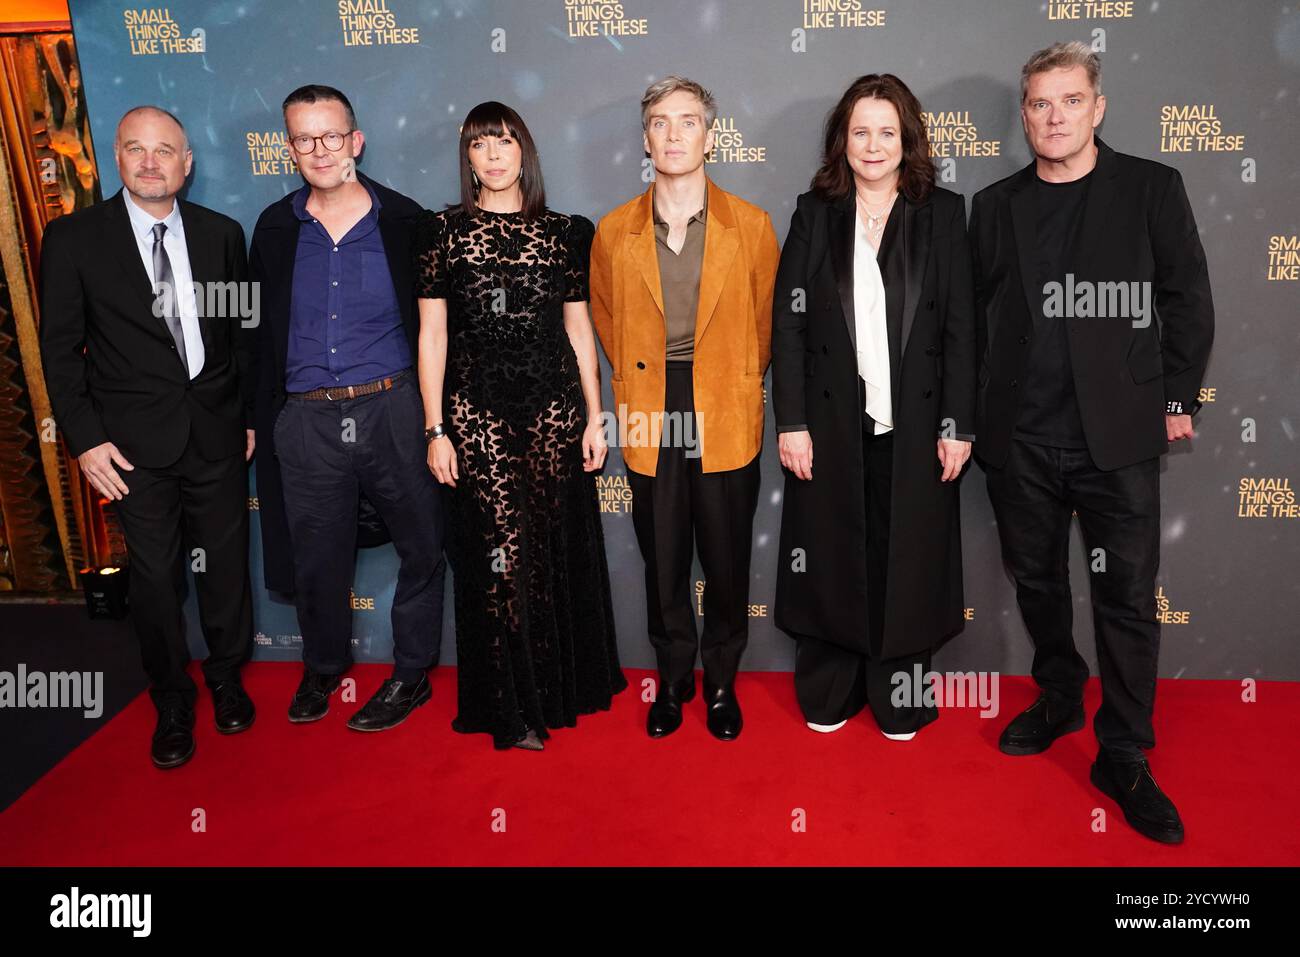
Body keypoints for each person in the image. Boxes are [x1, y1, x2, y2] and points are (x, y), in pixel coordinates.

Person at [971, 42, 1214, 844]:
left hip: (1119, 436)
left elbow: (1188, 298)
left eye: (1070, 101)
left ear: (1098, 108)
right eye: (1040, 103)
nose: (1054, 117)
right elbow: (974, 320)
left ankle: (1125, 753)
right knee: (1038, 584)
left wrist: (1176, 395)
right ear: (1025, 112)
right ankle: (1058, 692)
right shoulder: (994, 203)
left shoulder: (1151, 187)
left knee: (1128, 600)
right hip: (1021, 441)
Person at [39, 105, 256, 768]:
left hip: (215, 434)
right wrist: (84, 439)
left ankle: (225, 677)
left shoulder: (223, 234)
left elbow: (241, 334)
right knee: (157, 580)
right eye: (138, 149)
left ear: (187, 164)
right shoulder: (75, 239)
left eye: (166, 150)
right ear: (118, 157)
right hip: (131, 447)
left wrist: (244, 415)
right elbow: (58, 349)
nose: (153, 161)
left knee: (224, 571)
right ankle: (171, 696)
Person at [414, 101, 625, 751]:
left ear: (524, 151)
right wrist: (435, 429)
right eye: (481, 144)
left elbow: (579, 327)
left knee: (552, 550)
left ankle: (562, 687)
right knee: (502, 559)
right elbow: (432, 336)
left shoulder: (566, 231)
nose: (495, 154)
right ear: (468, 156)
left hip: (554, 411)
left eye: (506, 141)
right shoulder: (442, 231)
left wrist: (596, 415)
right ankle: (514, 704)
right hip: (477, 418)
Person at [771, 74, 975, 741]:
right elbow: (789, 325)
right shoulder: (814, 212)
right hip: (829, 429)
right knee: (830, 554)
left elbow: (961, 332)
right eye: (861, 131)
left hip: (916, 426)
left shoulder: (943, 213)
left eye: (887, 131)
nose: (873, 144)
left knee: (907, 559)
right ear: (843, 140)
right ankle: (832, 685)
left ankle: (899, 694)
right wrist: (792, 421)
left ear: (907, 138)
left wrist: (957, 424)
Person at [249, 84, 447, 731]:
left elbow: (438, 328)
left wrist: (434, 419)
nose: (320, 150)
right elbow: (256, 334)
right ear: (290, 149)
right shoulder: (275, 230)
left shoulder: (406, 222)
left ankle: (412, 673)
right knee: (316, 555)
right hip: (307, 420)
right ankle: (323, 667)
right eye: (304, 139)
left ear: (355, 141)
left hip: (392, 407)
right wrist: (263, 418)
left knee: (423, 545)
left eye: (331, 135)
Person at [590, 76, 780, 741]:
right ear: (645, 137)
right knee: (663, 554)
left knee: (725, 556)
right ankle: (672, 678)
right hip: (650, 404)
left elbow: (764, 327)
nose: (674, 135)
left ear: (710, 133)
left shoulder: (750, 225)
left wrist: (728, 381)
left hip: (724, 402)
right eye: (661, 123)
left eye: (688, 121)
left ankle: (722, 680)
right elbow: (607, 323)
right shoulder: (614, 230)